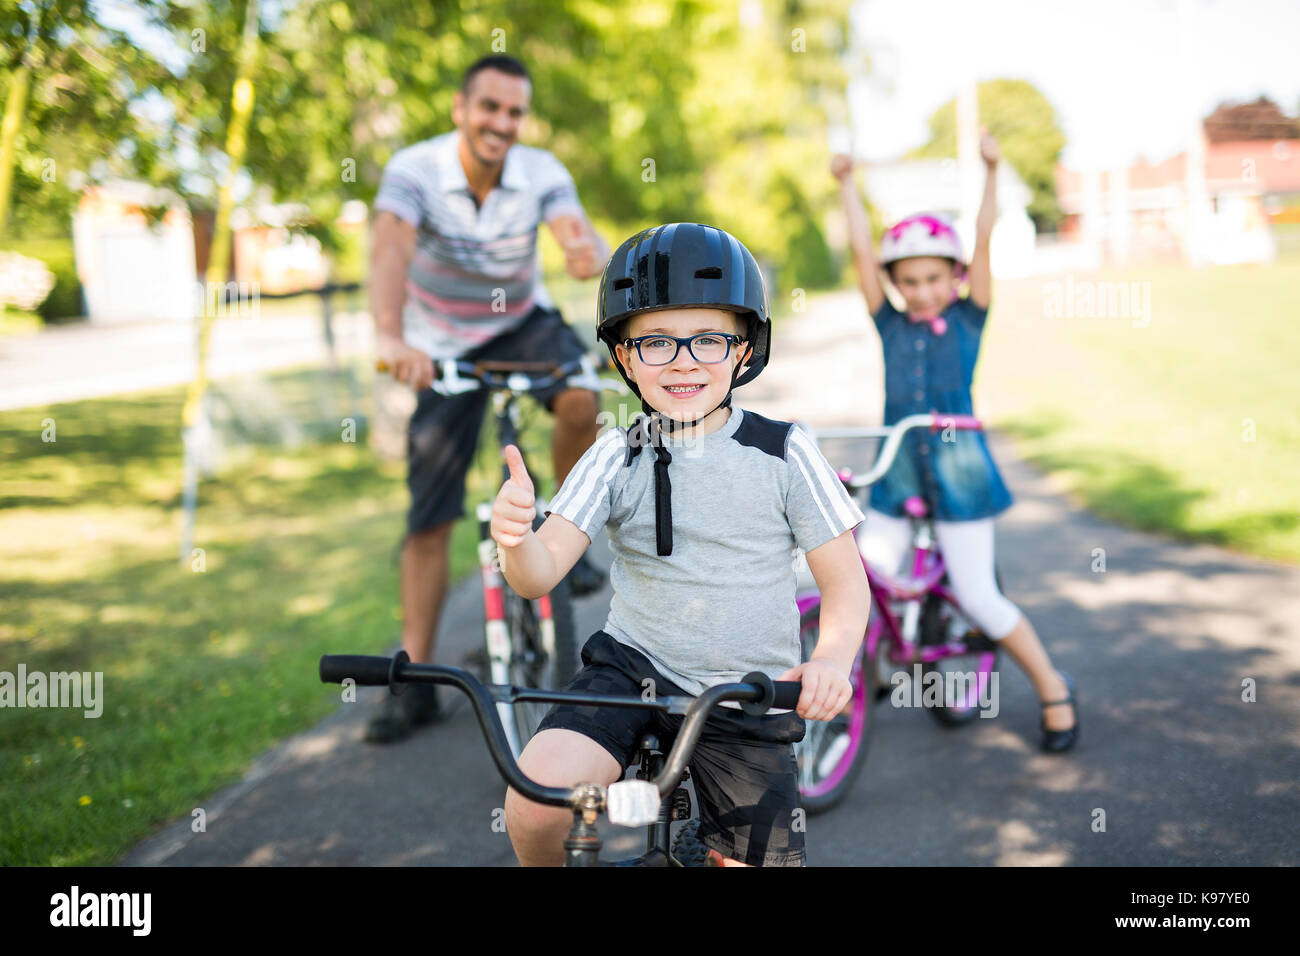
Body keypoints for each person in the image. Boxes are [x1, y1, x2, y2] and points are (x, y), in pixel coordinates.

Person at [491, 223, 872, 866]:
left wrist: (832, 660)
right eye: (658, 342)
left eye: (709, 340)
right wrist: (514, 539)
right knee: (531, 803)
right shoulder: (615, 452)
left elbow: (844, 583)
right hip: (630, 669)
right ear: (624, 358)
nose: (684, 360)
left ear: (745, 349)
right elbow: (539, 573)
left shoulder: (784, 450)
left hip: (749, 691)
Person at [365, 54, 611, 743]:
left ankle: (568, 531)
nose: (501, 123)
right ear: (460, 108)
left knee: (583, 397)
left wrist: (582, 247)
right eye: (490, 108)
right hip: (438, 342)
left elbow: (570, 224)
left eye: (514, 112)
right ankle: (412, 680)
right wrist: (390, 335)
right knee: (429, 514)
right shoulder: (416, 170)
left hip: (520, 323)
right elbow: (388, 249)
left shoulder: (540, 171)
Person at [831, 131, 1079, 753]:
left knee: (979, 598)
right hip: (899, 474)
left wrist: (992, 171)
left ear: (956, 277)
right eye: (908, 281)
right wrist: (845, 185)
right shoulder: (888, 322)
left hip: (962, 476)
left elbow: (986, 234)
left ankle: (1053, 689)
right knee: (864, 581)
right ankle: (876, 666)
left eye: (933, 279)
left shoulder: (969, 316)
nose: (920, 291)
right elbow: (863, 251)